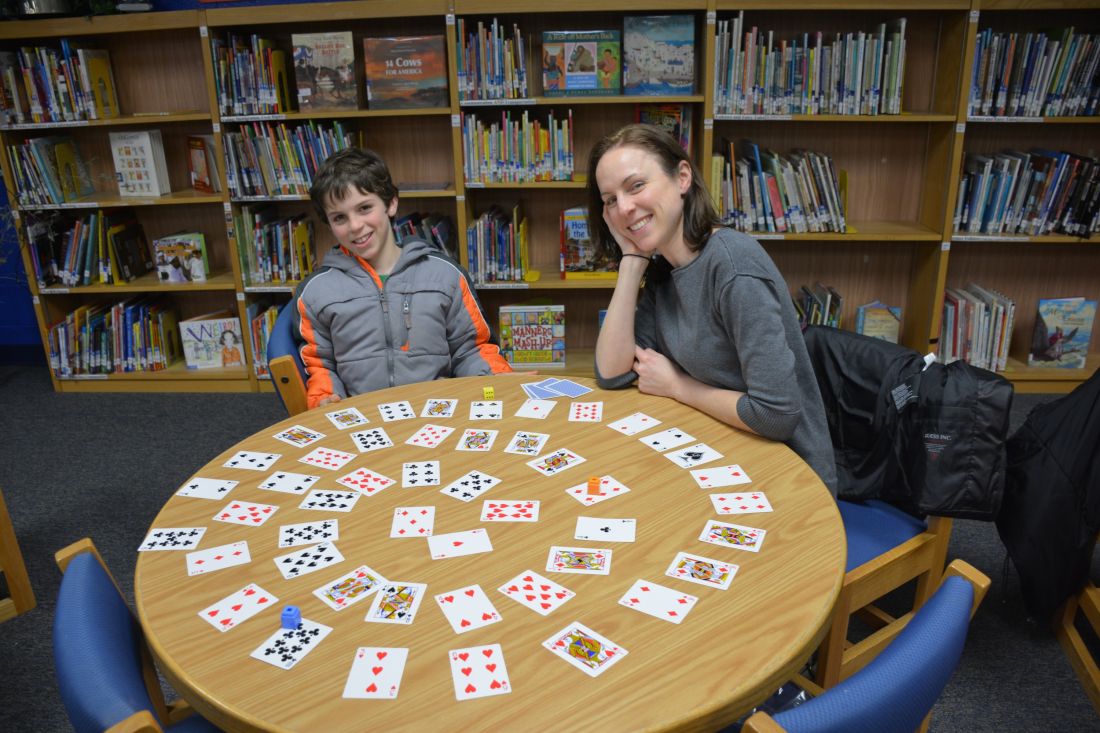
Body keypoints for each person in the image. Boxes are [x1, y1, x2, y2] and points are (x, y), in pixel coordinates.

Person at [587, 123, 838, 495]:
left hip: (790, 481)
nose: (623, 208)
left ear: (682, 177)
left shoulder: (733, 266)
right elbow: (612, 373)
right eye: (609, 200)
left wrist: (677, 386)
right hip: (717, 454)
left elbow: (777, 415)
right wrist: (632, 259)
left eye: (636, 186)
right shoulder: (665, 270)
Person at [293, 147, 511, 409]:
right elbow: (319, 364)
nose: (354, 226)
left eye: (364, 208)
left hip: (438, 413)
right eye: (340, 217)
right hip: (362, 419)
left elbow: (472, 349)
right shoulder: (317, 291)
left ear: (391, 203)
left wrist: (498, 381)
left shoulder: (444, 275)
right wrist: (325, 397)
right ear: (328, 224)